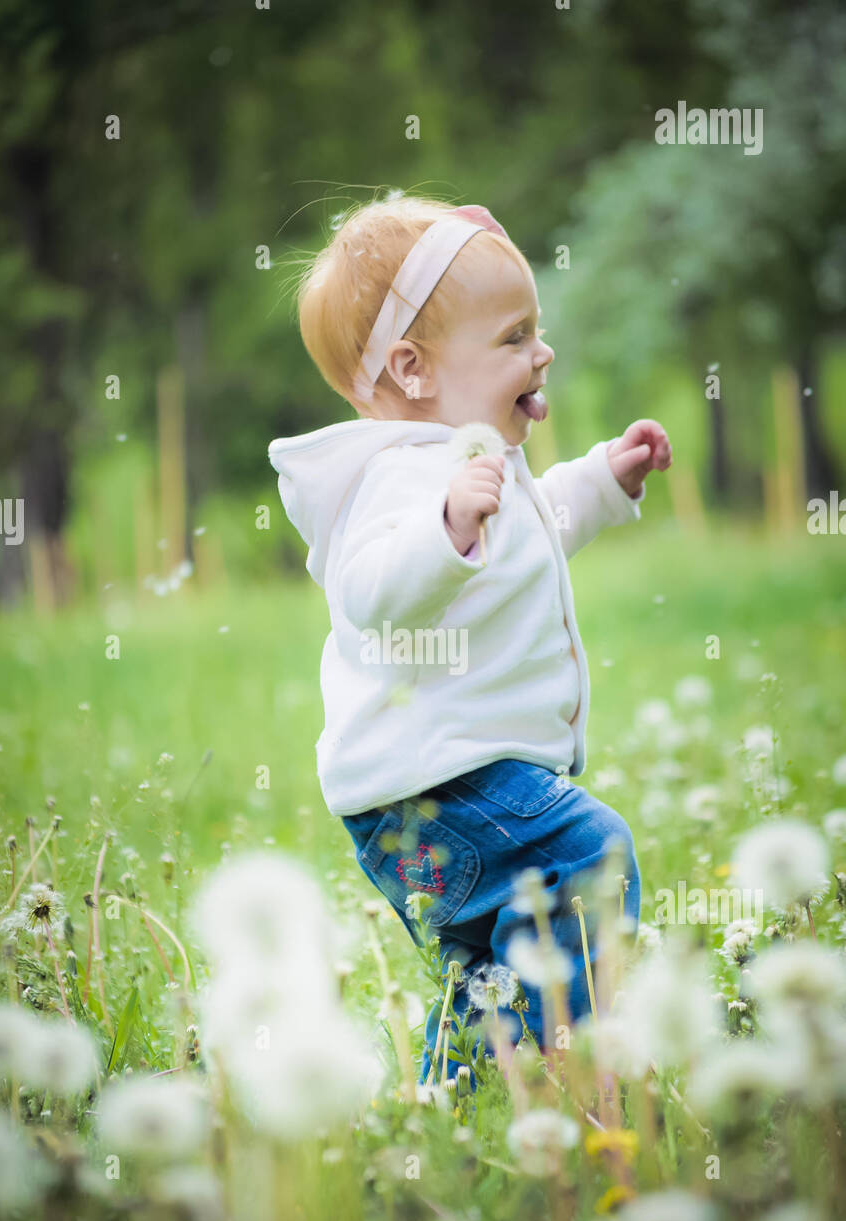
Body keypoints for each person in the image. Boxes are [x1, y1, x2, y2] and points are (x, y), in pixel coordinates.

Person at [269, 192, 672, 1086]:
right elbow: (368, 592)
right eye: (513, 337)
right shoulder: (396, 477)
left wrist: (604, 478)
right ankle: (568, 1073)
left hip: (446, 787)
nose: (543, 352)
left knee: (485, 971)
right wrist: (444, 529)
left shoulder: (475, 462)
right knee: (583, 853)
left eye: (535, 330)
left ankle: (459, 1106)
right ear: (412, 369)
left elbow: (533, 524)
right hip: (436, 786)